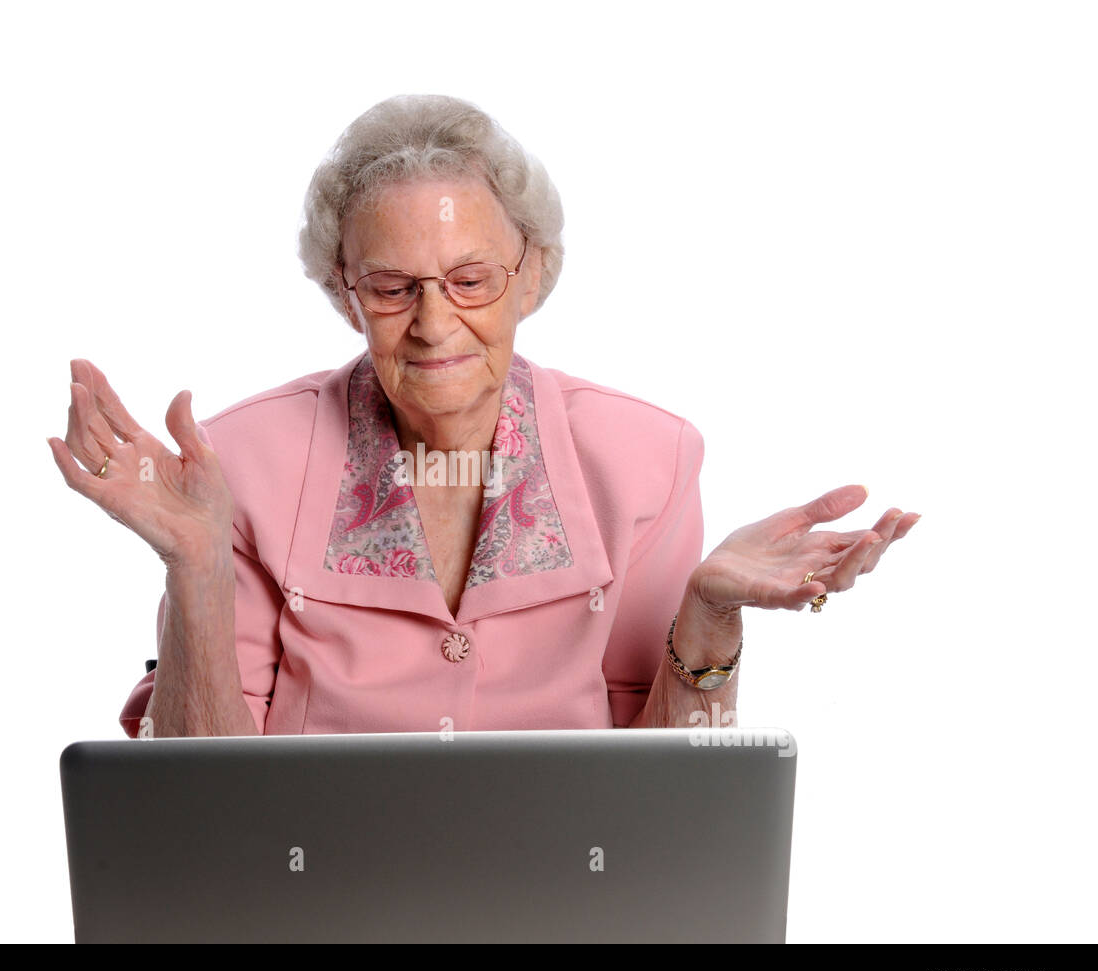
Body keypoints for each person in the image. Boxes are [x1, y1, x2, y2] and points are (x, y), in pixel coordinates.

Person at [47, 94, 919, 738]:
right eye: (392, 288)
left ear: (532, 276)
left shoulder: (648, 461)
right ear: (344, 296)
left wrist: (711, 613)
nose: (433, 324)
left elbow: (667, 795)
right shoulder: (239, 462)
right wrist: (196, 567)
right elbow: (206, 818)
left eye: (471, 280)